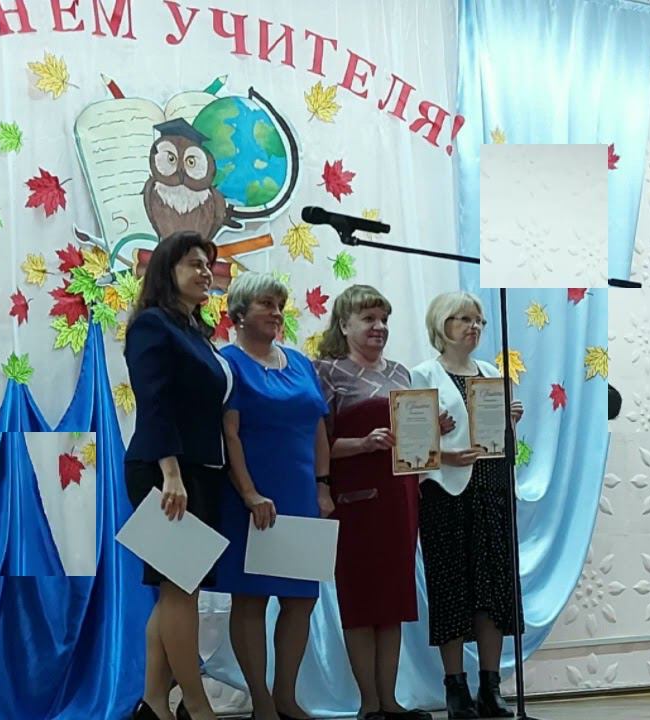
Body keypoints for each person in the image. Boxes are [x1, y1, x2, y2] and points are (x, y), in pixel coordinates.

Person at [313, 285, 438, 720]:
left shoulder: (401, 373)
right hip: (354, 502)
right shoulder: (327, 372)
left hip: (400, 501)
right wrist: (363, 444)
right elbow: (318, 442)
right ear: (344, 324)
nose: (379, 327)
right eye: (368, 319)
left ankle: (391, 701)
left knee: (393, 603)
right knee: (361, 602)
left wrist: (432, 430)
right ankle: (368, 703)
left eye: (383, 319)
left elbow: (412, 443)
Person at [214, 272, 333, 720]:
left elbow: (317, 426)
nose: (277, 313)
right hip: (252, 498)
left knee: (301, 599)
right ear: (239, 313)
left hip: (300, 495)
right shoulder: (227, 362)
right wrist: (249, 493)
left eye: (280, 305)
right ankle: (261, 701)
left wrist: (323, 485)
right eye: (266, 304)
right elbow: (229, 434)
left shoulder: (300, 362)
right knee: (251, 598)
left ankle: (286, 696)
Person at [125, 231, 232, 720]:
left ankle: (153, 703)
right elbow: (154, 401)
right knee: (179, 588)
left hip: (199, 470)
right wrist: (170, 473)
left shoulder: (195, 331)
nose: (205, 272)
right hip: (165, 469)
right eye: (194, 263)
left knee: (178, 589)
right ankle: (195, 704)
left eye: (208, 264)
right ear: (167, 271)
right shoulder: (152, 324)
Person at [410, 292, 524, 720]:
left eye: (478, 320)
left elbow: (497, 441)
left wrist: (509, 423)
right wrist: (444, 455)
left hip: (491, 489)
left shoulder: (492, 373)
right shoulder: (422, 374)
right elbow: (412, 445)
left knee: (493, 588)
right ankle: (455, 686)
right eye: (463, 319)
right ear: (441, 324)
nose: (473, 327)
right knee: (452, 588)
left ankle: (490, 686)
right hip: (445, 493)